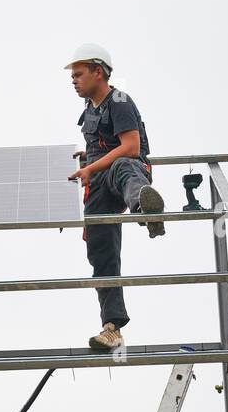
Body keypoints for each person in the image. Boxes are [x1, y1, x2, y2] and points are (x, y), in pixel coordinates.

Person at [66, 43, 165, 351]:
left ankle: (146, 208)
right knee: (101, 252)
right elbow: (103, 144)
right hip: (99, 182)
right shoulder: (89, 109)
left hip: (125, 174)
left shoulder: (119, 101)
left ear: (99, 72)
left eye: (79, 74)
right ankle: (112, 329)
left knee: (122, 165)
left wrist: (91, 167)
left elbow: (130, 147)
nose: (74, 80)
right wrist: (89, 156)